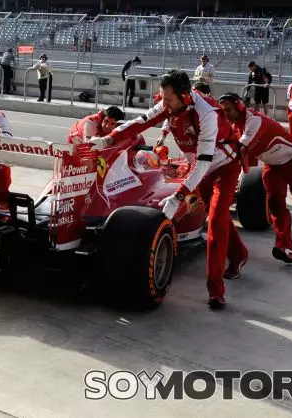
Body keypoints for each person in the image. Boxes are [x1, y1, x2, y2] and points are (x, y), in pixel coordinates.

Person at [95, 70, 247, 310]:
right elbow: (142, 121)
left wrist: (179, 195)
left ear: (185, 96)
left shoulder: (207, 114)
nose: (164, 105)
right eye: (162, 99)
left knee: (216, 219)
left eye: (169, 100)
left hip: (223, 166)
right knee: (215, 215)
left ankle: (216, 291)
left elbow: (205, 162)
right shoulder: (171, 103)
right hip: (197, 166)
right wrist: (110, 139)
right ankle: (239, 254)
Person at [218, 93, 292, 261]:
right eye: (222, 110)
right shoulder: (234, 126)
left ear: (239, 106)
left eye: (228, 110)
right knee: (275, 205)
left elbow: (238, 150)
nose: (225, 114)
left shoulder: (254, 121)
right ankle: (285, 248)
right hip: (271, 165)